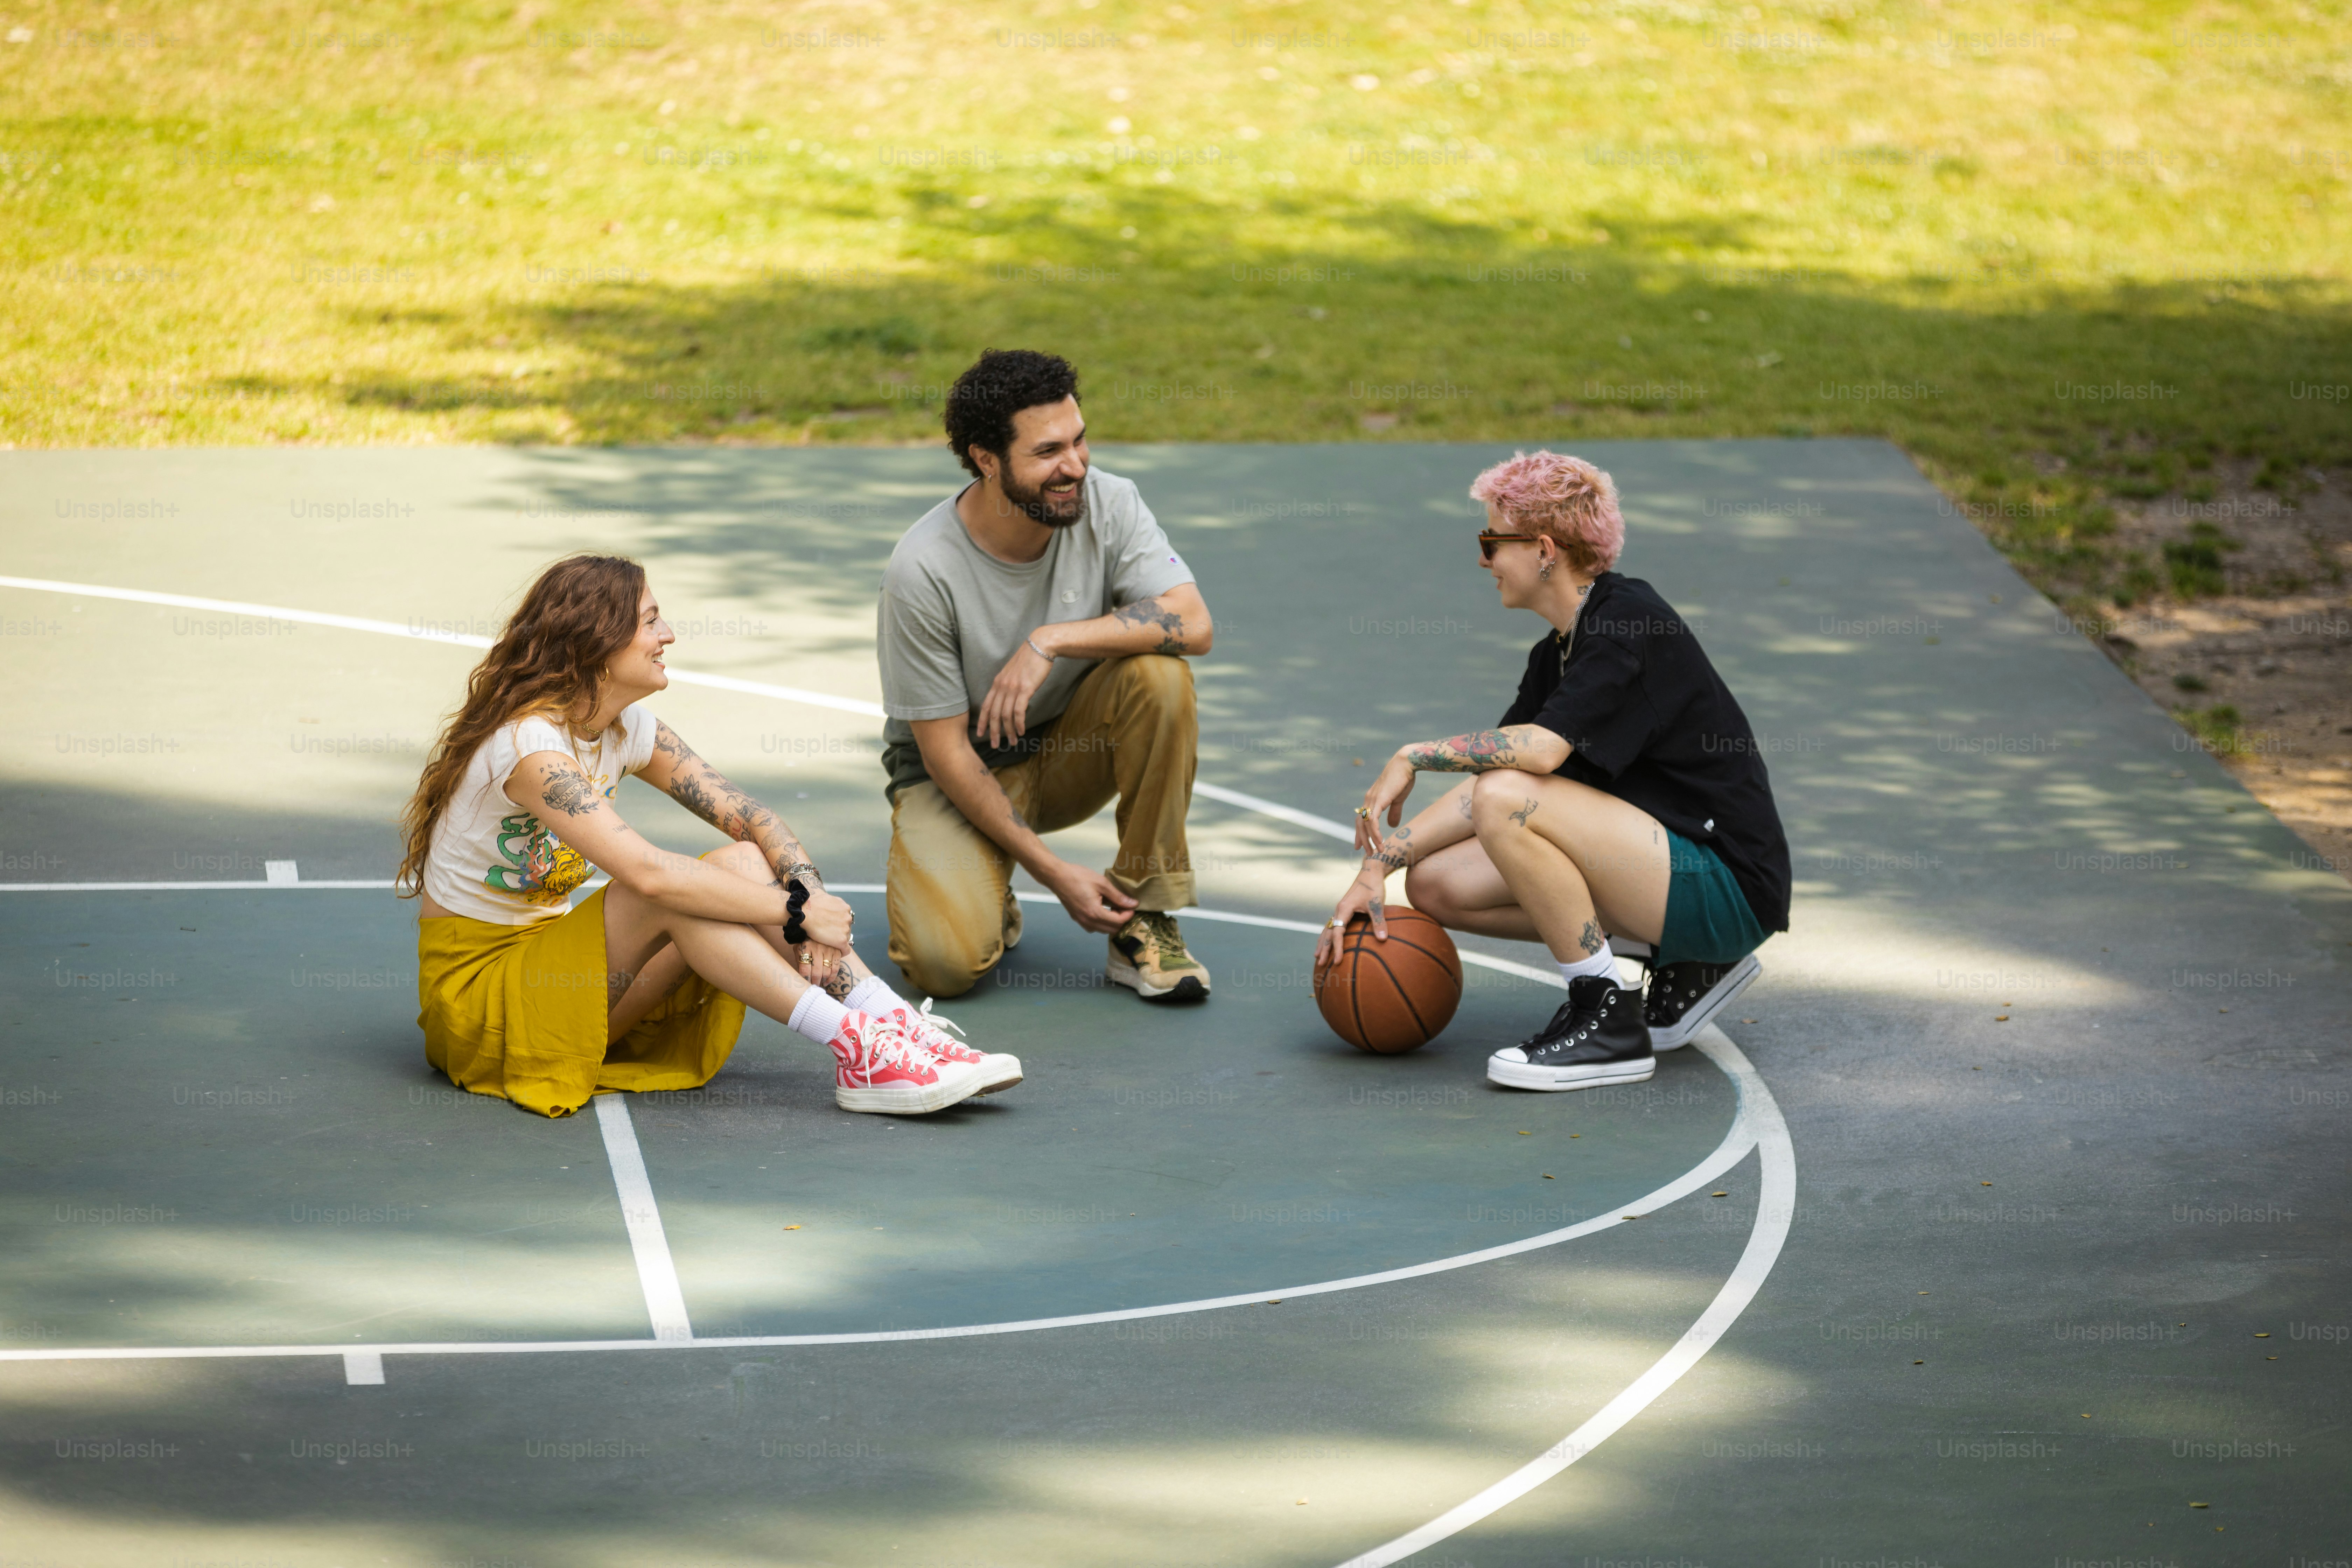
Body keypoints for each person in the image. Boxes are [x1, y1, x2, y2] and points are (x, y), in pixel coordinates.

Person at [399, 553, 1019, 1119]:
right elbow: (650, 876)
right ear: (596, 641)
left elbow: (749, 817)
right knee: (668, 889)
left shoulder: (622, 727)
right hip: (482, 1008)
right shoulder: (530, 747)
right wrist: (799, 912)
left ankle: (890, 1023)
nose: (667, 636)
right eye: (650, 621)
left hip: (568, 985)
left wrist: (808, 894)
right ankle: (858, 1047)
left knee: (744, 860)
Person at [1315, 451, 1790, 1091]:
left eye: (1492, 541)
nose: (1484, 560)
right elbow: (1485, 784)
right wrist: (1378, 868)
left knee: (1512, 797)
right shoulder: (1559, 650)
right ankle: (1682, 961)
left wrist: (1414, 754)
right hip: (1671, 868)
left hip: (1727, 882)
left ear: (1543, 549)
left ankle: (1607, 1020)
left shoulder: (1627, 621)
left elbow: (1530, 762)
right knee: (1436, 886)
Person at [877, 348, 1216, 1001]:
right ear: (986, 459)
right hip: (957, 775)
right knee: (944, 967)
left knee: (1160, 678)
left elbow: (1193, 624)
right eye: (1048, 452)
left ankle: (1143, 916)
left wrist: (1050, 641)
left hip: (1069, 750)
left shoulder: (1111, 503)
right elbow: (944, 752)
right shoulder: (921, 570)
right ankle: (989, 888)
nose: (1075, 466)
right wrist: (1052, 872)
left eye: (1080, 440)